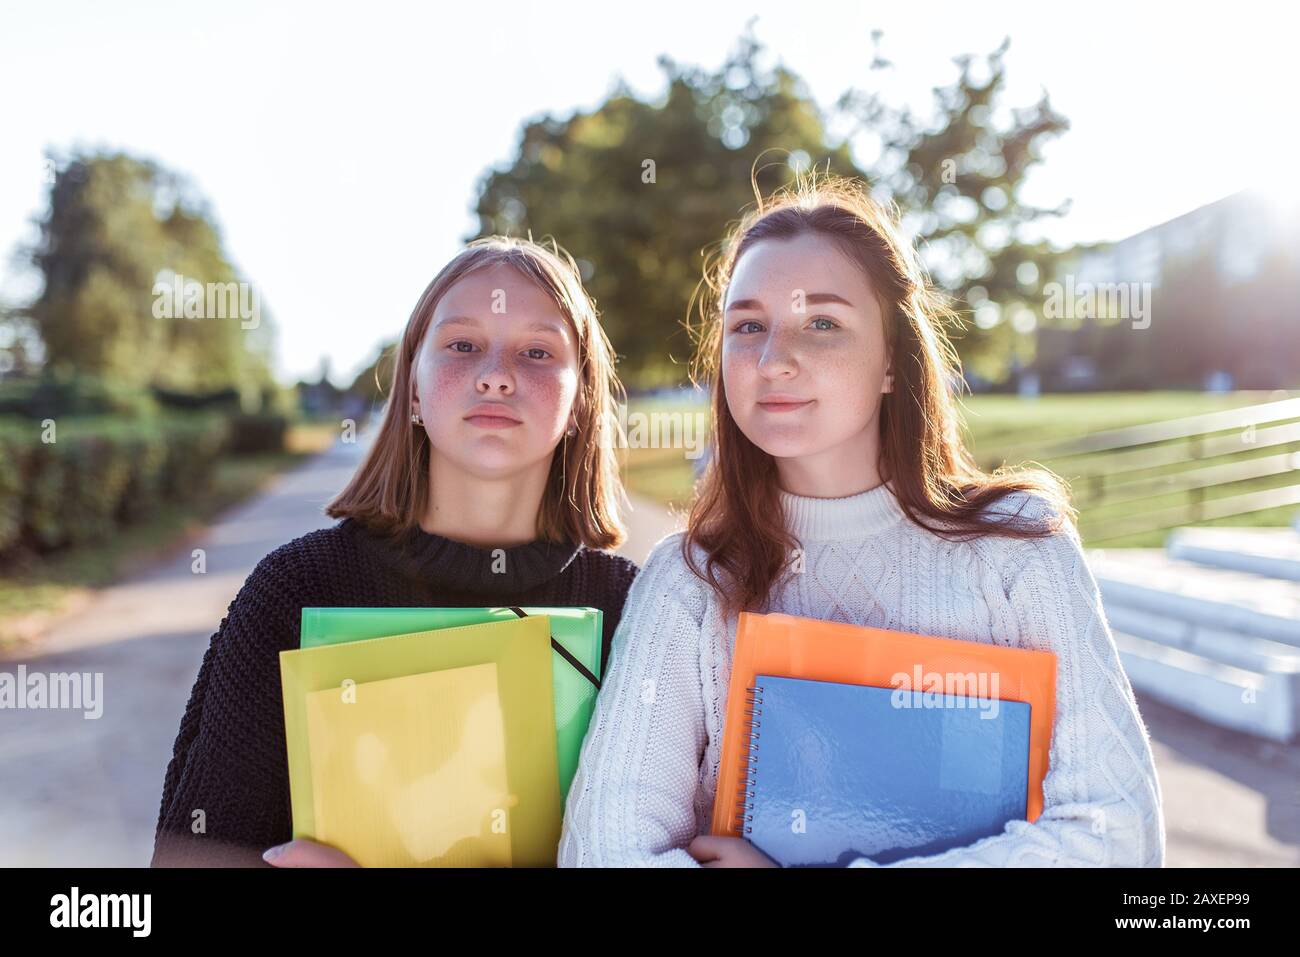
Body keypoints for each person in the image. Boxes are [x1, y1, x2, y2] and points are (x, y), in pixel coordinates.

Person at [557, 173, 1165, 868]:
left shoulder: (1019, 550)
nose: (773, 359)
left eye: (822, 322)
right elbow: (603, 852)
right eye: (748, 325)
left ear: (890, 362)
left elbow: (1117, 835)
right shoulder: (689, 580)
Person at [152, 236, 638, 867]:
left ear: (580, 403)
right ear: (412, 389)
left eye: (538, 351)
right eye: (462, 345)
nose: (496, 374)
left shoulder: (637, 609)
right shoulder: (297, 589)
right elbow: (189, 858)